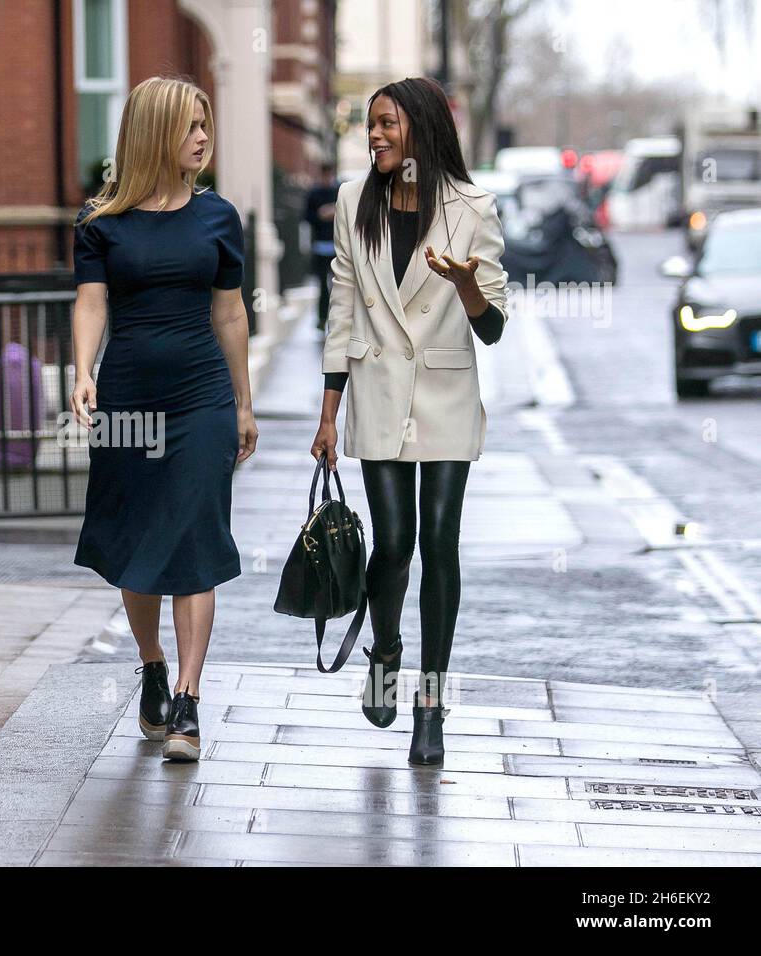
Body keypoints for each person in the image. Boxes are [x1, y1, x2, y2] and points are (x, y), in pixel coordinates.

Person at [311, 77, 509, 766]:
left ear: (421, 128)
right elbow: (341, 305)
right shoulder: (352, 202)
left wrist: (465, 286)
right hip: (377, 391)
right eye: (370, 126)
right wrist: (328, 409)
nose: (376, 136)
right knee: (393, 544)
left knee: (440, 543)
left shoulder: (472, 208)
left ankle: (431, 702)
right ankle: (386, 649)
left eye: (388, 124)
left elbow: (495, 329)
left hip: (447, 394)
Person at [70, 76, 258, 762]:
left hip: (201, 398)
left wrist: (242, 402)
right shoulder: (101, 221)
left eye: (206, 123)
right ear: (156, 132)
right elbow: (91, 303)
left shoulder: (218, 218)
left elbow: (231, 312)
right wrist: (83, 370)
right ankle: (150, 663)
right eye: (191, 126)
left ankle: (187, 700)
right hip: (128, 399)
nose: (204, 137)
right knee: (136, 540)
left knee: (196, 540)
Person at [304, 161, 341, 331]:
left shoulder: (340, 190)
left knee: (338, 286)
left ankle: (336, 319)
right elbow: (307, 217)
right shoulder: (314, 193)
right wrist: (320, 215)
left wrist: (334, 211)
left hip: (337, 247)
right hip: (319, 246)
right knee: (322, 286)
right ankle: (321, 318)